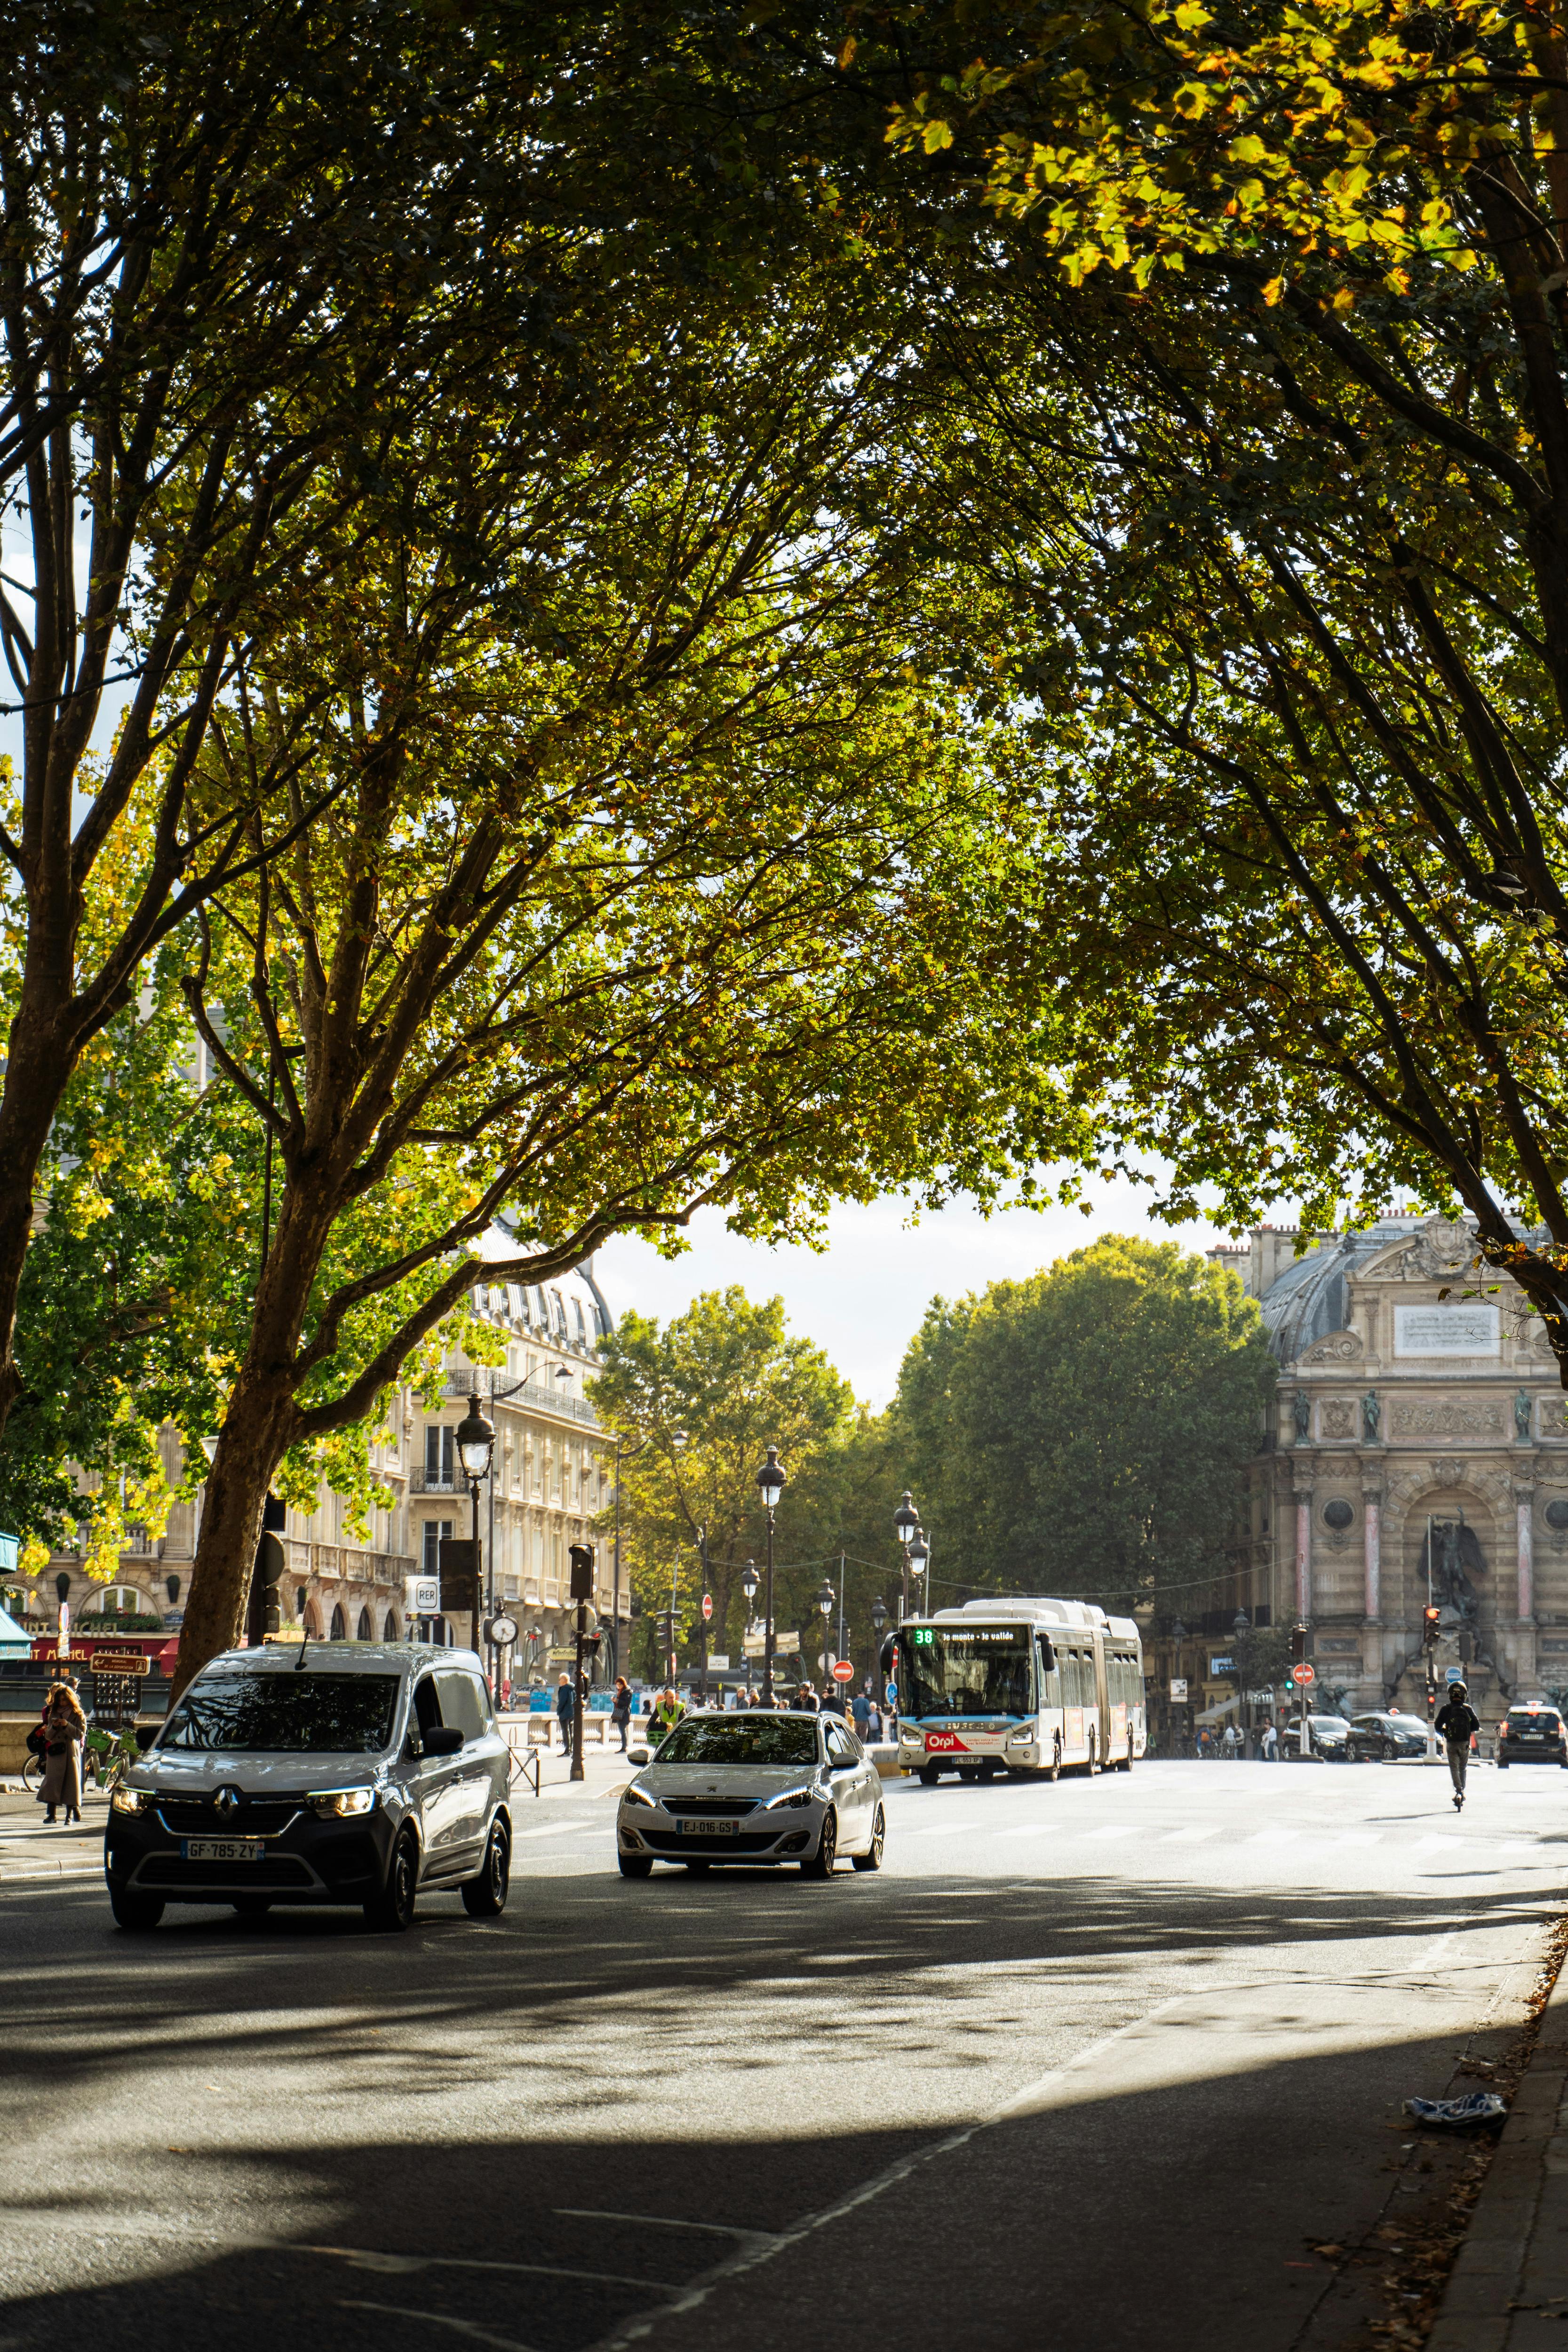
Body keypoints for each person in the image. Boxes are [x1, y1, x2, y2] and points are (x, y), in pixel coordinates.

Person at [38, 1678, 85, 1825]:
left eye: (65, 1700)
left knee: (71, 1784)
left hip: (70, 1751)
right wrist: (54, 1727)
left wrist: (67, 1726)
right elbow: (48, 1736)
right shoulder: (53, 1713)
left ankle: (69, 1816)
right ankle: (52, 1814)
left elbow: (80, 1734)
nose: (63, 1703)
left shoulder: (78, 1714)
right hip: (56, 1751)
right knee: (52, 1783)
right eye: (61, 1700)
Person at [1435, 1681, 1481, 1811]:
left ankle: (1458, 1790)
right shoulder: (1467, 1709)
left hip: (1451, 1743)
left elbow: (1438, 1726)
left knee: (1454, 1768)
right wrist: (1467, 1730)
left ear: (1450, 1695)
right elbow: (1476, 1726)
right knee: (1463, 1767)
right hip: (1464, 1743)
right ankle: (1462, 1791)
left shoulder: (1446, 1709)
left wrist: (1446, 1731)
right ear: (1464, 1695)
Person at [554, 1671, 575, 1753]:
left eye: (560, 1679)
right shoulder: (572, 1688)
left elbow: (562, 1702)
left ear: (563, 1680)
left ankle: (567, 1750)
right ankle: (571, 1749)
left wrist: (559, 1711)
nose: (559, 1681)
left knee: (566, 1732)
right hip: (572, 1713)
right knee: (571, 1731)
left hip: (565, 1713)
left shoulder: (564, 1689)